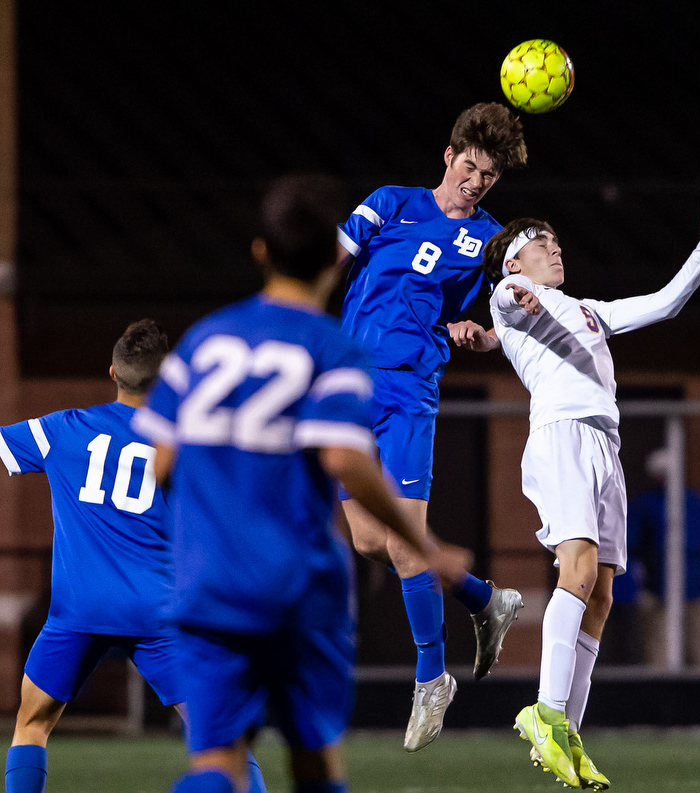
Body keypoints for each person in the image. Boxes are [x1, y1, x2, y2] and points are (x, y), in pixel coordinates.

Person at [133, 175, 472, 793]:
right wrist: (424, 545)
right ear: (330, 260)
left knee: (216, 764)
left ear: (260, 251)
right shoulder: (330, 348)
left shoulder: (204, 340)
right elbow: (344, 459)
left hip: (208, 586)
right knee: (315, 764)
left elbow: (160, 464)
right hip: (296, 588)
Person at [452, 209, 700, 788]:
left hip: (606, 445)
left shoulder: (588, 312)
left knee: (601, 594)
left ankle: (568, 735)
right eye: (540, 244)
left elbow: (664, 303)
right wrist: (514, 299)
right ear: (514, 261)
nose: (554, 249)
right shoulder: (516, 294)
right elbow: (503, 300)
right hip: (563, 438)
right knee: (576, 570)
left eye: (556, 241)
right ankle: (545, 712)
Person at [335, 102, 531, 750]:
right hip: (346, 384)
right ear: (448, 156)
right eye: (470, 166)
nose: (476, 182)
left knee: (405, 540)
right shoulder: (391, 203)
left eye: (489, 175)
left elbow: (519, 311)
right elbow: (333, 257)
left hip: (409, 389)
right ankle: (483, 600)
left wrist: (486, 334)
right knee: (368, 540)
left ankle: (430, 678)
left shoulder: (491, 239)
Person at [0, 321, 268, 793]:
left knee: (31, 725)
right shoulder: (184, 446)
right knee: (221, 741)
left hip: (79, 611)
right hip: (158, 613)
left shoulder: (61, 430)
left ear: (112, 373)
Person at [610, 448, 700, 665]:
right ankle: (663, 689)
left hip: (684, 583)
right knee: (663, 643)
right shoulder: (661, 502)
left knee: (692, 643)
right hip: (664, 584)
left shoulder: (686, 501)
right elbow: (634, 541)